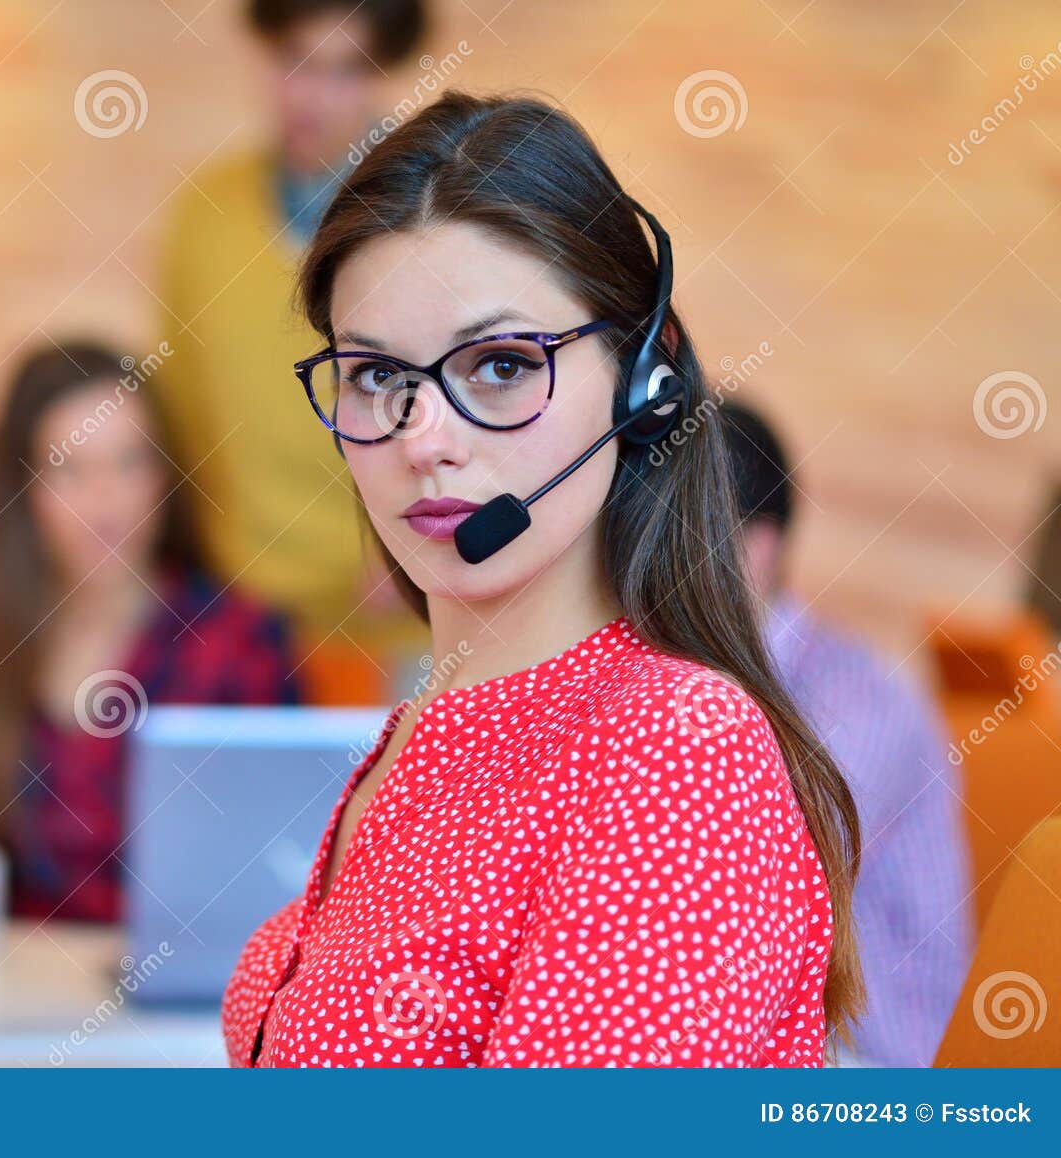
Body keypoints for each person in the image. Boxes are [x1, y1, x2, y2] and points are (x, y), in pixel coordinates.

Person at [221, 91, 863, 1068]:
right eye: (377, 376)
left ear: (644, 379)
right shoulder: (433, 724)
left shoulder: (678, 758)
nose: (421, 441)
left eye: (501, 365)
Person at [0, 342, 300, 925]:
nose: (104, 501)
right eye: (68, 468)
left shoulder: (239, 642)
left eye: (129, 463)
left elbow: (280, 874)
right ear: (21, 490)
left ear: (167, 476)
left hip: (173, 1001)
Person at [152, 0, 430, 665]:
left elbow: (482, 400)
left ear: (380, 75)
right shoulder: (207, 214)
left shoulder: (432, 210)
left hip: (410, 626)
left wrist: (425, 545)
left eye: (343, 70)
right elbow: (177, 410)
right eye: (294, 61)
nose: (311, 96)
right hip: (247, 623)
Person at [719, 401, 973, 1067]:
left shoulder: (859, 698)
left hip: (872, 1058)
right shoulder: (692, 683)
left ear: (756, 549)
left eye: (670, 533)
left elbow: (755, 878)